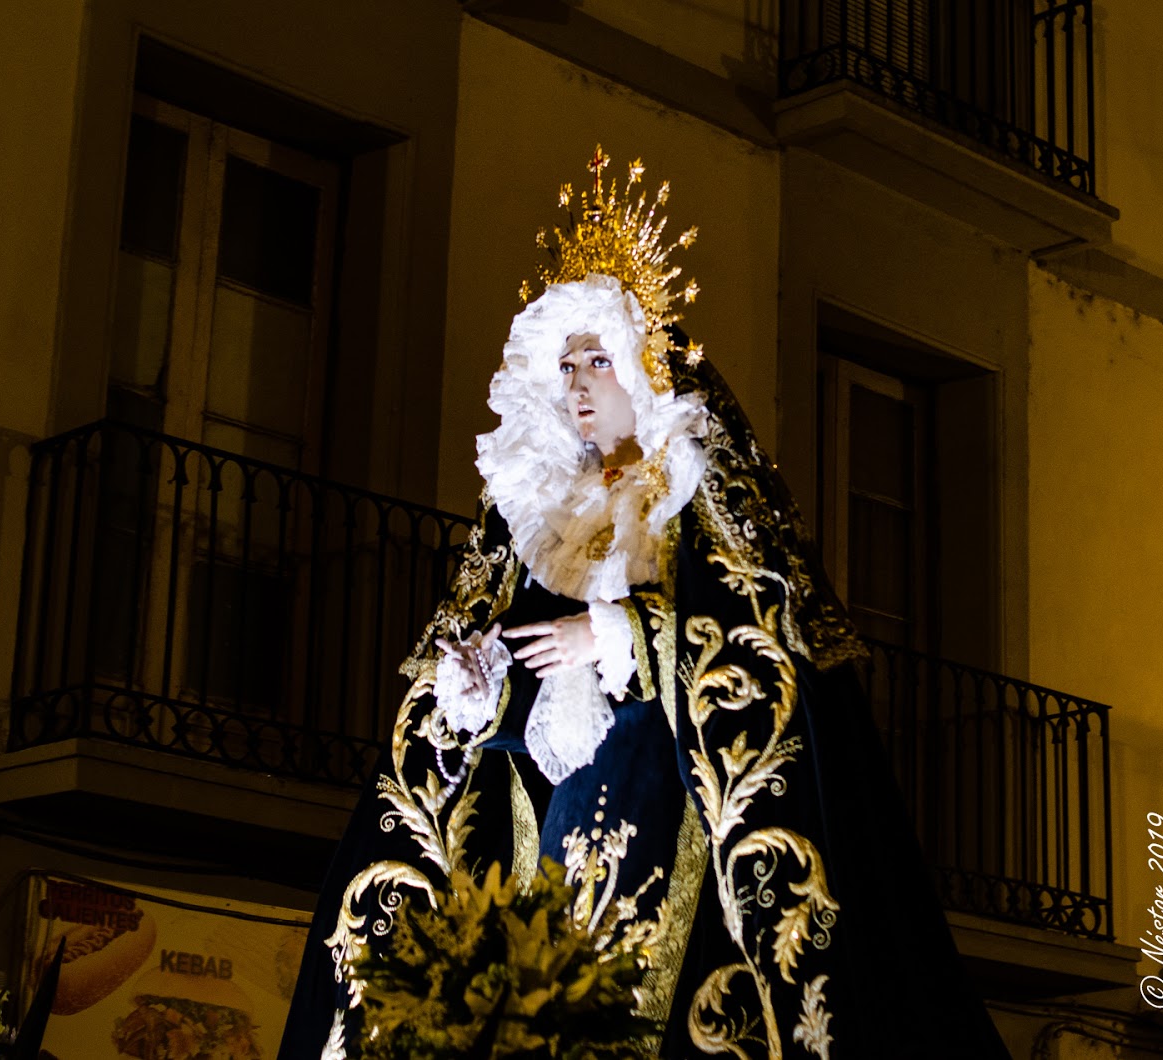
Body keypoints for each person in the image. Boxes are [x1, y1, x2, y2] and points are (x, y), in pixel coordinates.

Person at [277, 149, 1011, 1059]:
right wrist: (477, 677)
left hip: (668, 810)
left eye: (596, 358)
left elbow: (761, 650)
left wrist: (618, 631)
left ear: (643, 364)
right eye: (566, 365)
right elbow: (507, 656)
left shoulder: (694, 493)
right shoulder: (538, 518)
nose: (578, 382)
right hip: (543, 824)